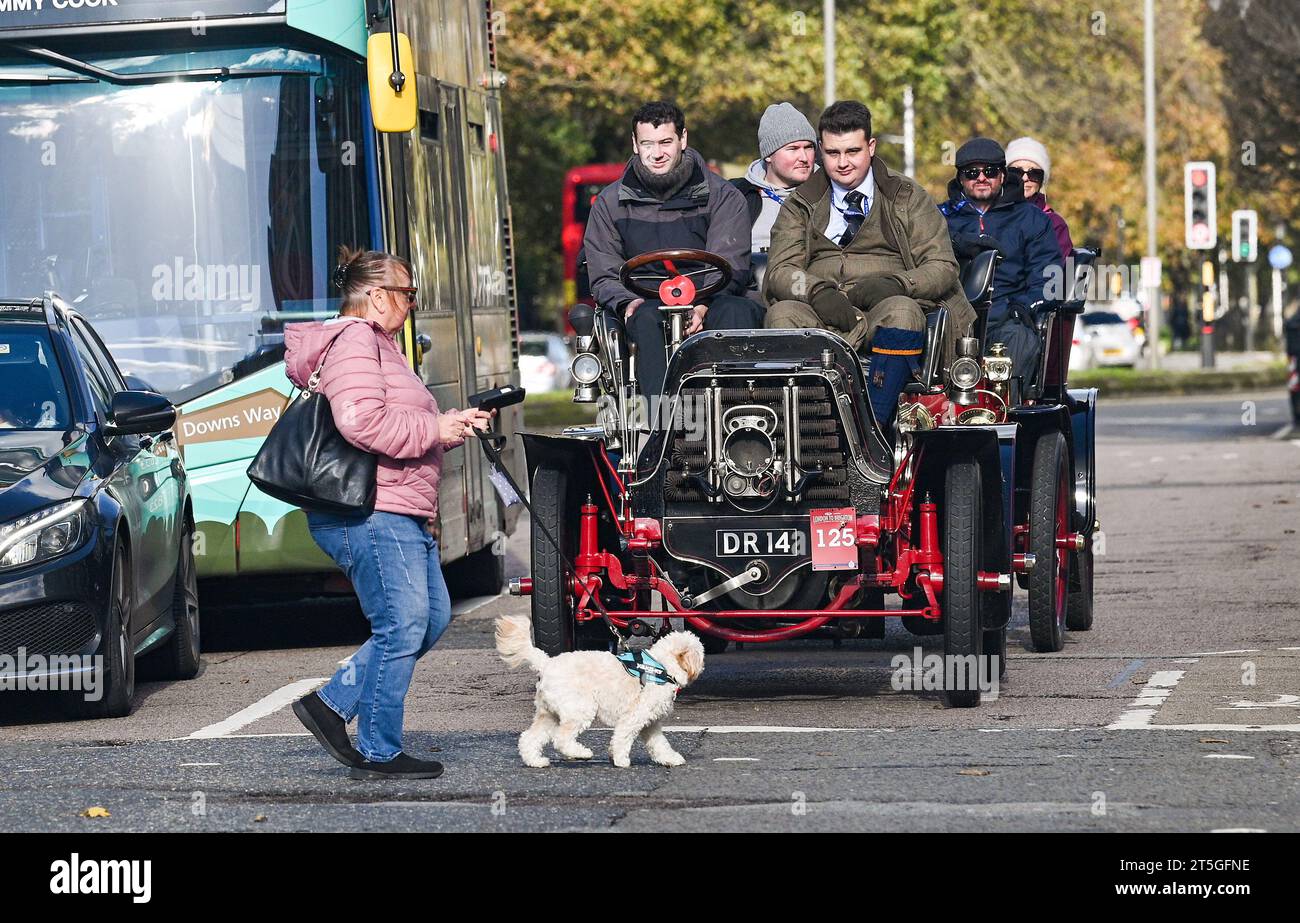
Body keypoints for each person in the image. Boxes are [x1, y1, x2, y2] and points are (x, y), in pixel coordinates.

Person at [283, 246, 493, 781]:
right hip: (371, 509)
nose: (411, 304)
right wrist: (434, 430)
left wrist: (448, 422)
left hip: (396, 505)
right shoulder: (356, 341)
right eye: (407, 294)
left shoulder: (378, 345)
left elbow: (389, 416)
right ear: (377, 296)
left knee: (431, 617)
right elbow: (360, 422)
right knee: (401, 624)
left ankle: (332, 705)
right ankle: (379, 748)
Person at [764, 100, 975, 427]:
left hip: (886, 306)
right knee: (781, 315)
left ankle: (871, 431)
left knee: (903, 312)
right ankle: (811, 428)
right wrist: (814, 290)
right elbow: (780, 271)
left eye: (853, 151)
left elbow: (942, 266)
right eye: (833, 153)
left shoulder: (906, 196)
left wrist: (900, 283)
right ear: (821, 150)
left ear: (871, 147)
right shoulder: (800, 203)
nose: (843, 163)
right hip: (820, 310)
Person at [582, 100, 765, 398]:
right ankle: (662, 424)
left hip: (712, 295)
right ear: (634, 144)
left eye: (666, 142)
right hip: (644, 300)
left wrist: (704, 303)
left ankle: (737, 415)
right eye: (647, 144)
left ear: (683, 139)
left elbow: (730, 261)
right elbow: (603, 273)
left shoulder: (722, 196)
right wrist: (626, 302)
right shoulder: (609, 203)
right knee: (646, 318)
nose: (657, 154)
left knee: (737, 311)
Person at [940, 137, 1063, 383]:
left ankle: (1005, 413)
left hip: (1006, 317)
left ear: (1003, 176)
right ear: (961, 179)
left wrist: (1023, 308)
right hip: (951, 318)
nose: (982, 178)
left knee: (1019, 340)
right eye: (972, 172)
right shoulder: (939, 219)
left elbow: (1051, 279)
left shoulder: (1033, 219)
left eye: (991, 171)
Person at [731, 102, 818, 255]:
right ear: (769, 155)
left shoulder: (830, 191)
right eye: (793, 149)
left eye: (808, 147)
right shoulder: (738, 197)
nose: (804, 157)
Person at [1005, 136, 1074, 258]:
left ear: (1042, 181)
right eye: (1016, 172)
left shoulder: (1055, 224)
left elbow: (1054, 270)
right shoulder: (989, 215)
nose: (1025, 178)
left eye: (1034, 173)